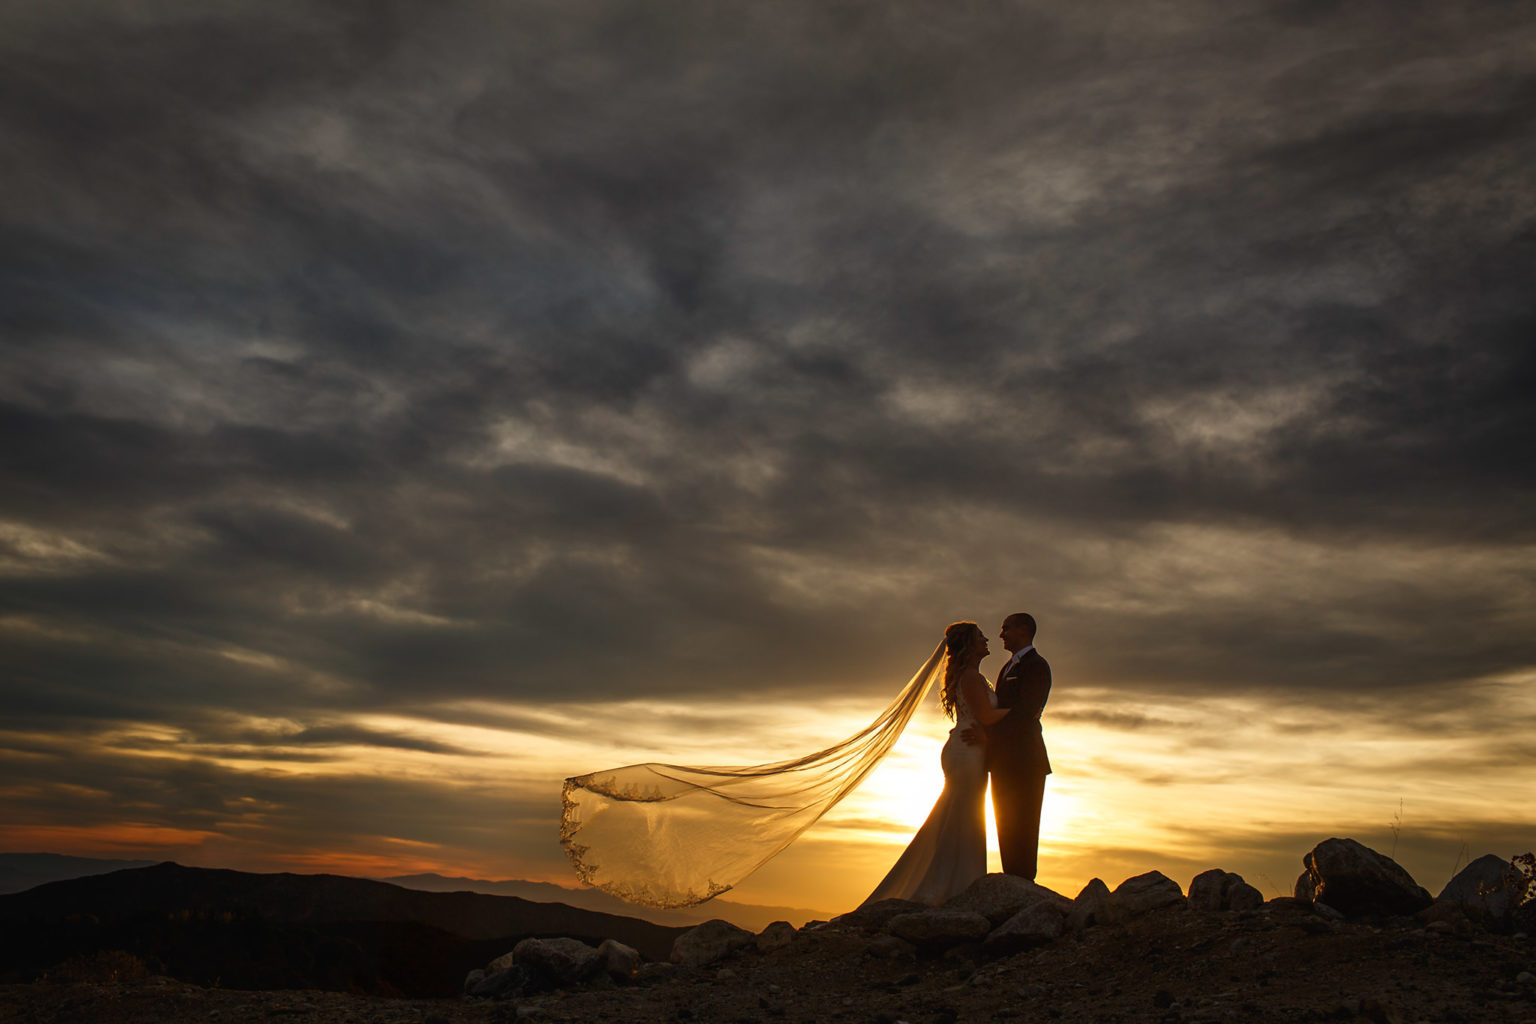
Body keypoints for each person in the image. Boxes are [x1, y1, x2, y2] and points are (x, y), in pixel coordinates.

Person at [861, 621, 1012, 905]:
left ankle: (958, 882)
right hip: (968, 752)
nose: (987, 639)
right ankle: (955, 886)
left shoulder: (973, 676)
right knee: (966, 815)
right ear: (969, 644)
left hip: (967, 749)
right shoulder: (970, 677)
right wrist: (1022, 712)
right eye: (981, 636)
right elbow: (987, 717)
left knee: (962, 814)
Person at [986, 612, 1052, 879]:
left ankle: (1024, 881)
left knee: (1024, 824)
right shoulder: (1007, 668)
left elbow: (1026, 712)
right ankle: (1011, 878)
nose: (1001, 634)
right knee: (1005, 824)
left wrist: (988, 736)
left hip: (1025, 760)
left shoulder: (1036, 665)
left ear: (1024, 629)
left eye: (1006, 628)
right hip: (1002, 760)